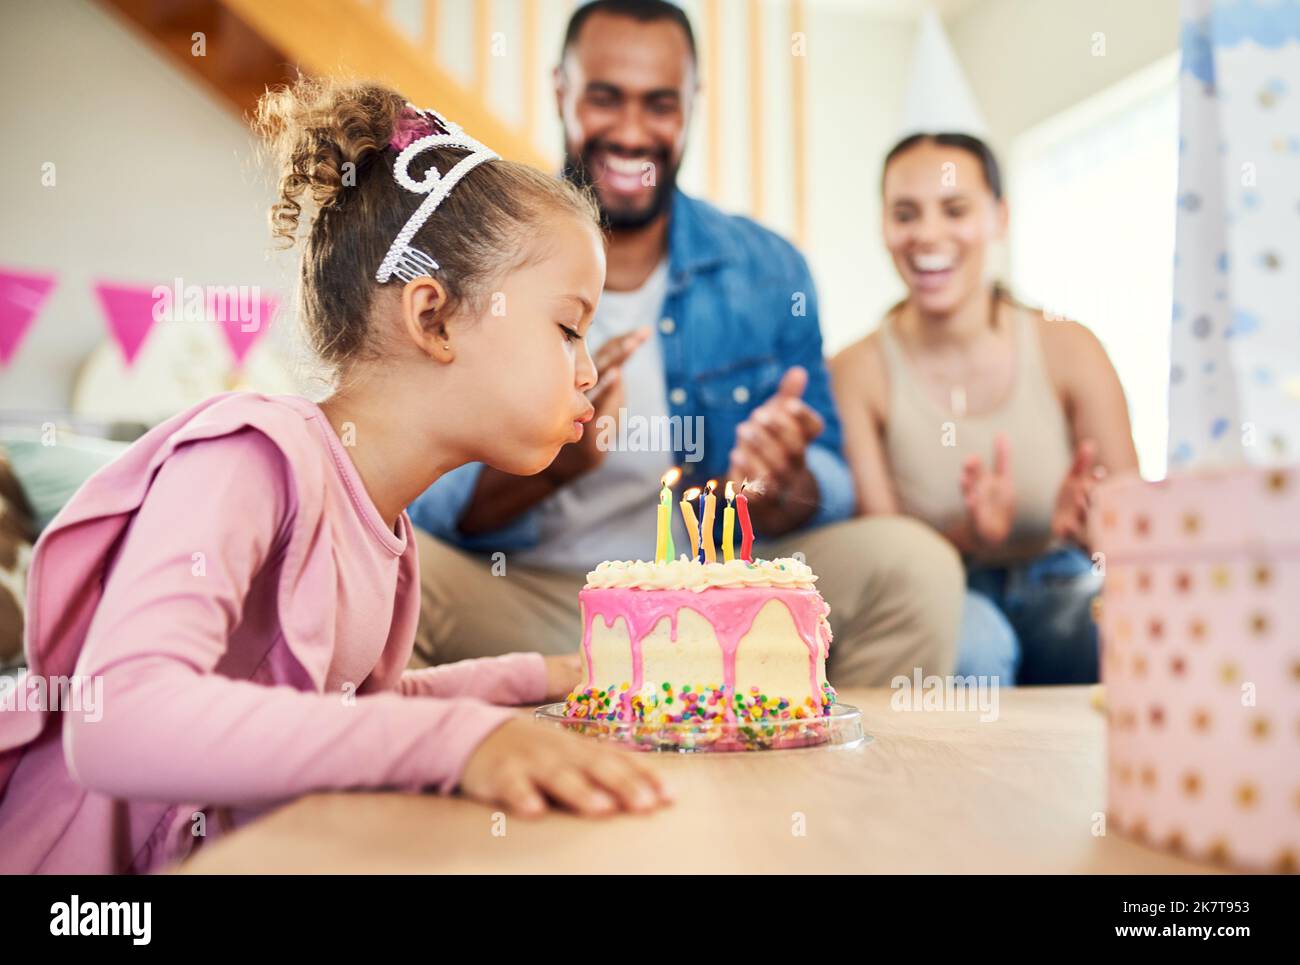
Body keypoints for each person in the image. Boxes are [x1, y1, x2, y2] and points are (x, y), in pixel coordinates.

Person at [0, 78, 674, 874]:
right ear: (433, 317)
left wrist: (552, 675)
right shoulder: (248, 455)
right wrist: (460, 740)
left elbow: (353, 716)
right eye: (568, 327)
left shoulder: (385, 530)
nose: (589, 371)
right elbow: (119, 722)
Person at [408, 0, 964, 686]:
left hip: (714, 605)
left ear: (693, 103)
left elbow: (836, 484)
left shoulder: (768, 270)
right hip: (535, 600)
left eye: (661, 104)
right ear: (561, 91)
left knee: (914, 565)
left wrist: (783, 482)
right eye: (606, 98)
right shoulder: (481, 257)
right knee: (384, 566)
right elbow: (425, 499)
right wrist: (552, 466)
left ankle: (818, 781)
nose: (633, 132)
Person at [830, 133, 1140, 684]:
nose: (928, 234)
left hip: (1060, 577)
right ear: (883, 226)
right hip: (942, 591)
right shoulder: (856, 371)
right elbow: (885, 549)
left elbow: (1135, 524)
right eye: (905, 214)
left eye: (955, 210)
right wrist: (972, 537)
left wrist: (1093, 524)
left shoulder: (1071, 347)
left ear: (999, 217)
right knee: (976, 654)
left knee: (1120, 628)